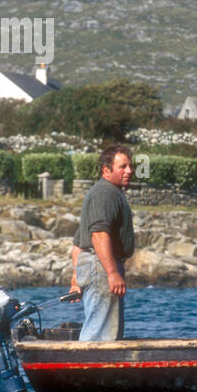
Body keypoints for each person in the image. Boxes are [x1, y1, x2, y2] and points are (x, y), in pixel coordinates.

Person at [69, 144, 135, 340]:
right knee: (101, 335)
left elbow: (79, 242)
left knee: (101, 328)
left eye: (130, 166)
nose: (129, 171)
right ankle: (85, 369)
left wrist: (76, 276)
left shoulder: (104, 192)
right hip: (102, 266)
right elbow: (98, 235)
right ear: (106, 170)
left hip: (95, 265)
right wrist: (112, 272)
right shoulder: (105, 193)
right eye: (122, 166)